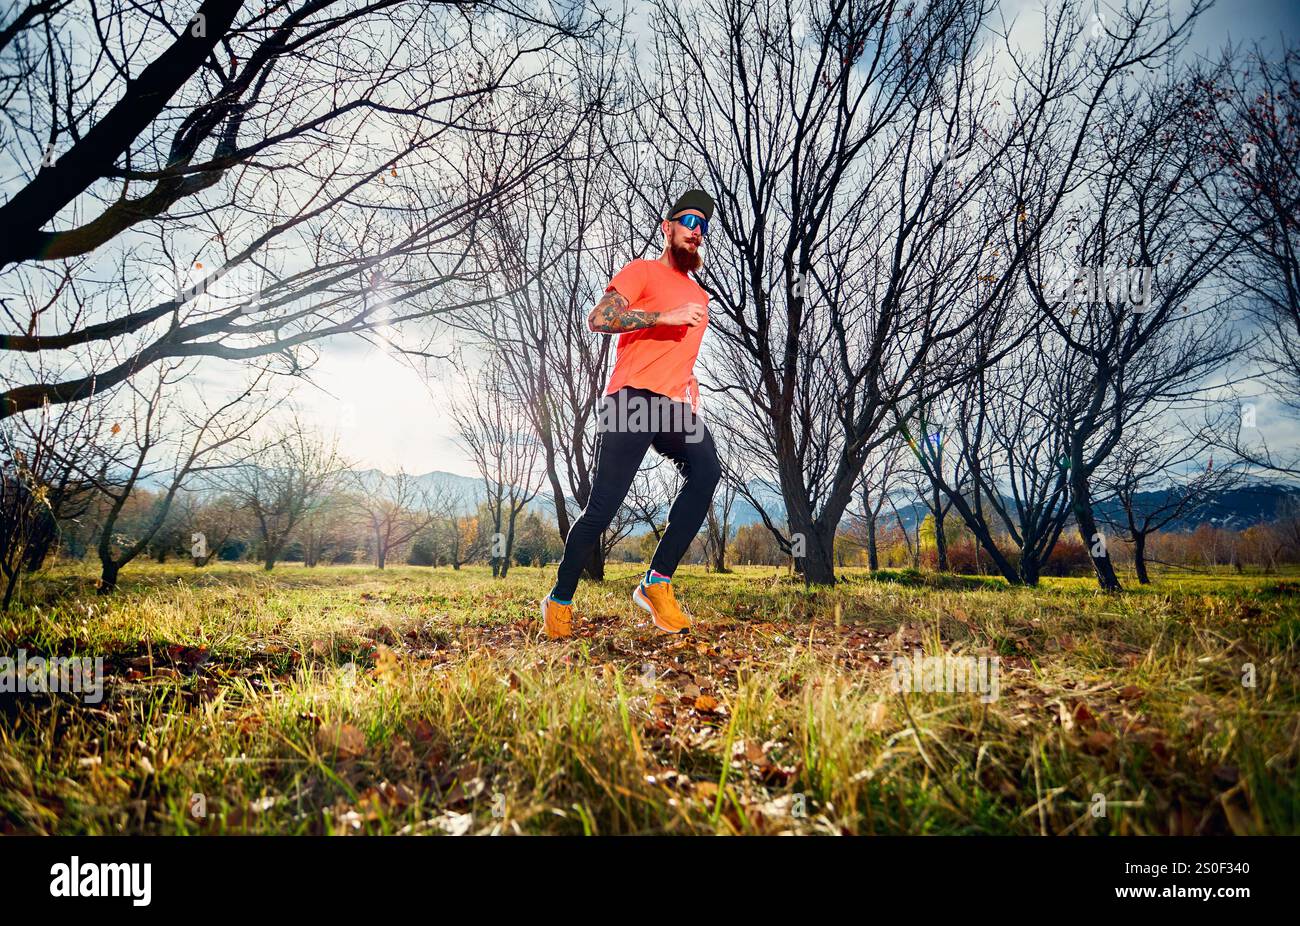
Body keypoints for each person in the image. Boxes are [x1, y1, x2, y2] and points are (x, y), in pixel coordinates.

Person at [540, 189, 722, 638]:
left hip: (672, 405)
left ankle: (656, 583)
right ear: (668, 228)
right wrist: (663, 315)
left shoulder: (700, 295)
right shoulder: (641, 270)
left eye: (703, 226)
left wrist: (688, 378)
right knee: (602, 509)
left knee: (706, 471)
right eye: (688, 222)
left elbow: (674, 352)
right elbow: (600, 319)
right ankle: (559, 599)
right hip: (631, 401)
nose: (696, 232)